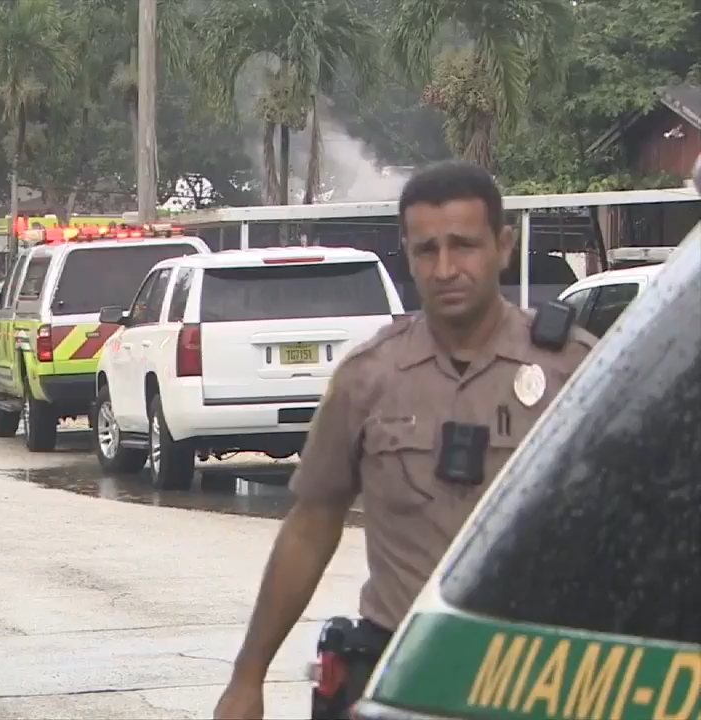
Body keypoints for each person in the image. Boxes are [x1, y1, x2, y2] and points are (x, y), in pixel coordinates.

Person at [213, 161, 597, 720]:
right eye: (427, 250)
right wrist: (248, 677)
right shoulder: (369, 377)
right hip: (403, 672)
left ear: (503, 246)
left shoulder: (573, 371)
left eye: (464, 246)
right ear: (408, 254)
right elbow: (311, 525)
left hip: (532, 678)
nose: (446, 269)